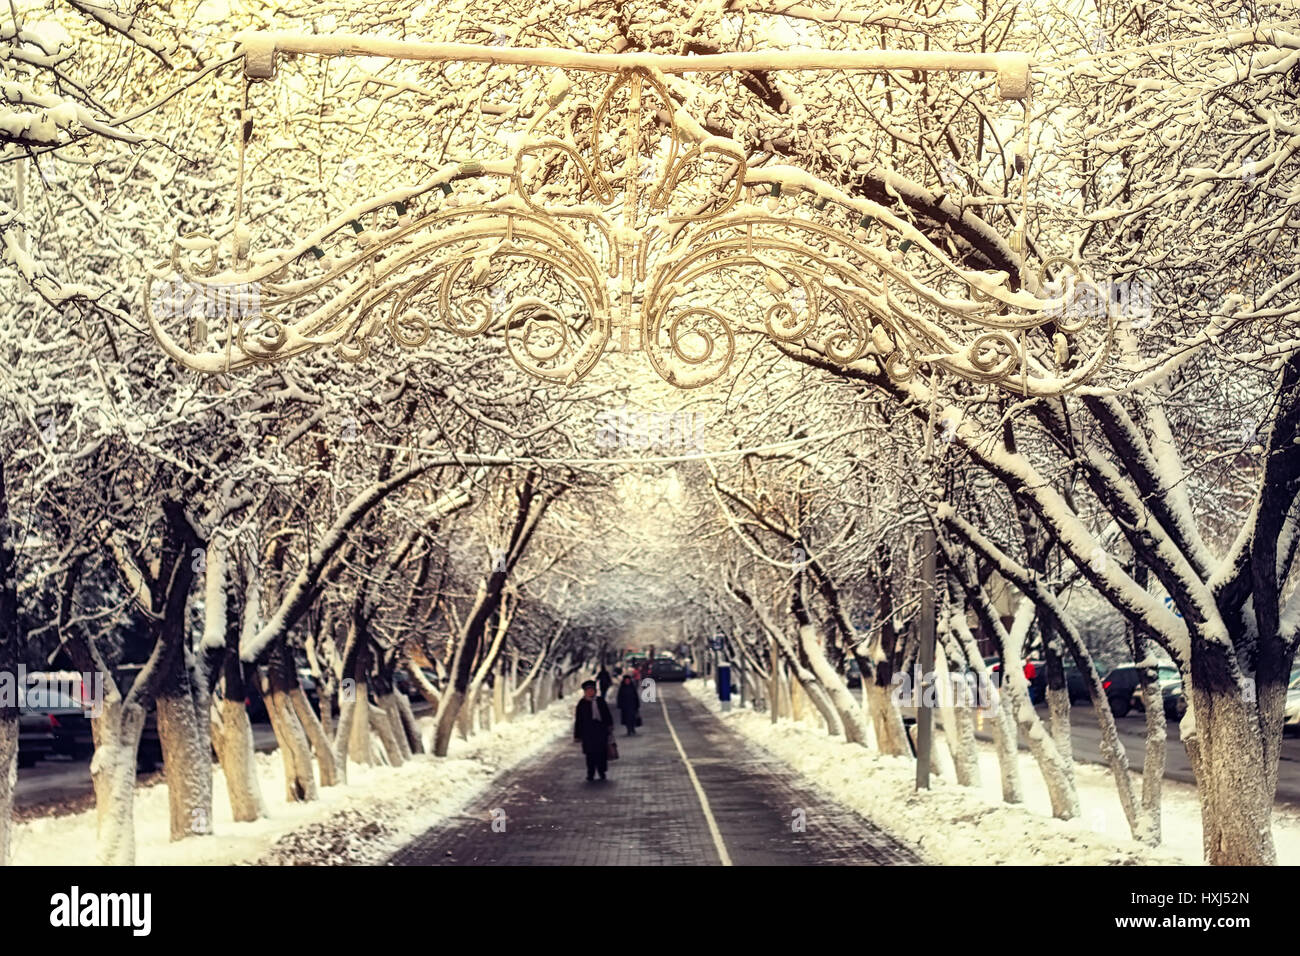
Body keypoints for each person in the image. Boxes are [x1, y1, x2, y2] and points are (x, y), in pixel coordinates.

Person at [574, 679, 613, 781]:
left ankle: (601, 772)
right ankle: (590, 773)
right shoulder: (582, 704)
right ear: (585, 692)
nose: (590, 692)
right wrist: (577, 735)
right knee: (590, 754)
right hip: (588, 734)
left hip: (601, 732)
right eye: (588, 690)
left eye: (592, 690)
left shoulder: (600, 701)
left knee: (601, 753)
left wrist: (609, 726)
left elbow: (607, 715)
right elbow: (578, 720)